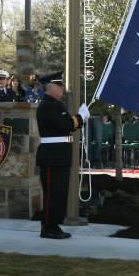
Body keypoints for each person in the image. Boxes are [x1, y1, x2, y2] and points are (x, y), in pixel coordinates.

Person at [35, 80, 89, 239]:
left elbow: (69, 125)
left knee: (59, 193)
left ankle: (54, 225)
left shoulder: (56, 104)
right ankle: (48, 227)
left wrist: (79, 119)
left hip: (60, 155)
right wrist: (80, 117)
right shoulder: (47, 105)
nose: (63, 88)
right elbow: (64, 124)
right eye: (59, 86)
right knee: (52, 193)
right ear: (50, 88)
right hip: (52, 156)